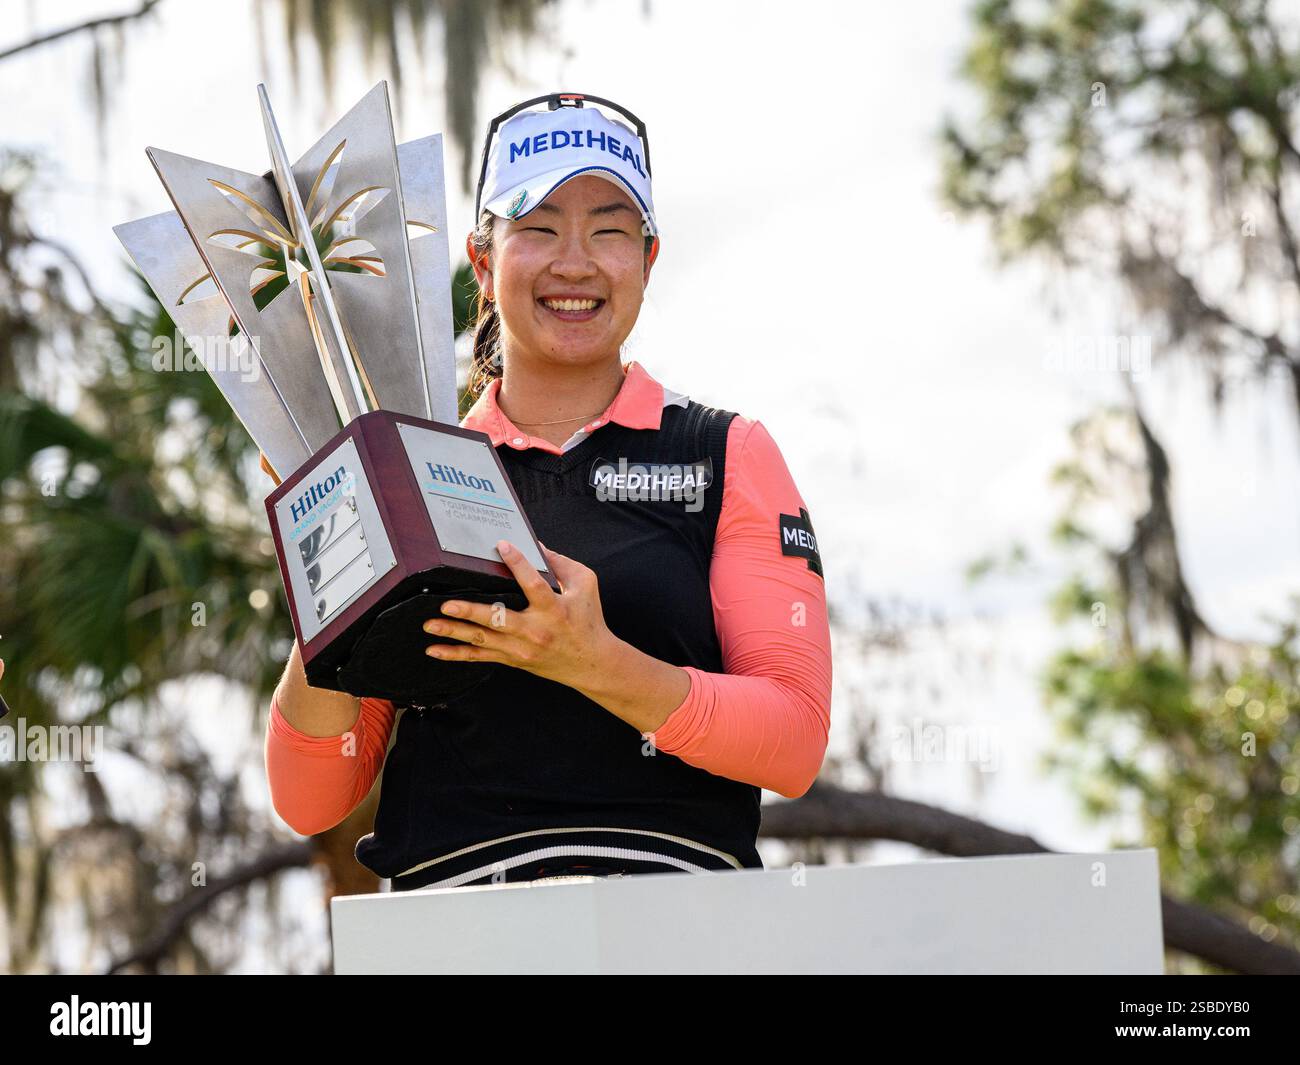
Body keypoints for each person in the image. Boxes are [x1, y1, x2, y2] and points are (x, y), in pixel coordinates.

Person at [264, 93, 832, 890]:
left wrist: (594, 663)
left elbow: (795, 740)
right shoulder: (405, 473)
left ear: (647, 260)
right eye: (537, 227)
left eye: (609, 230)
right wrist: (330, 564)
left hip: (677, 919)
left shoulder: (726, 453)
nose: (575, 263)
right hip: (457, 925)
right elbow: (310, 797)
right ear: (484, 261)